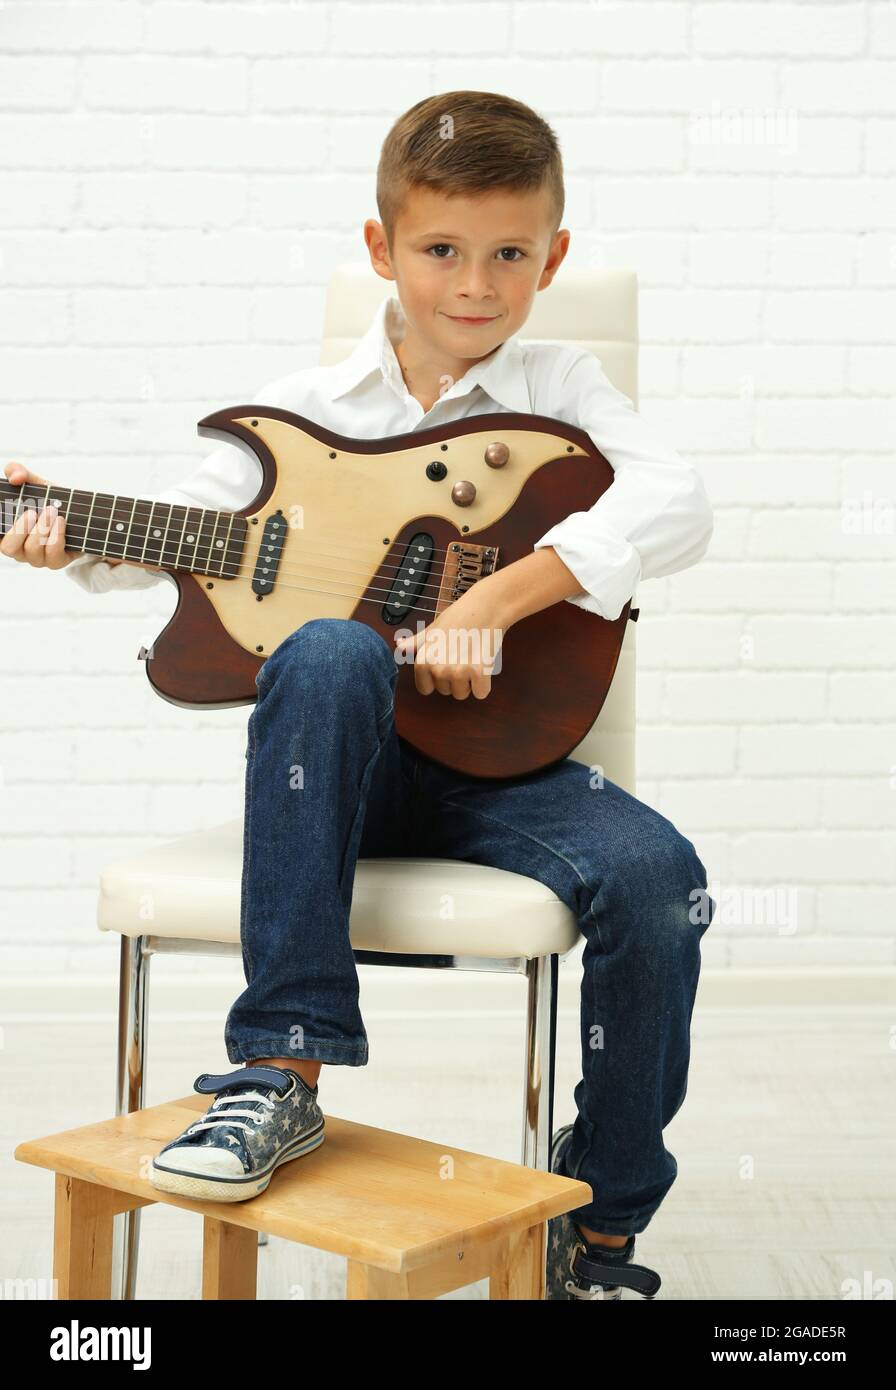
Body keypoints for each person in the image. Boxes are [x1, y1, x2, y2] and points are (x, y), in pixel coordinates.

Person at [2, 90, 716, 1301]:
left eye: (508, 255)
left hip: (511, 774)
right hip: (337, 772)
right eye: (441, 250)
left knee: (662, 880)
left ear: (553, 255)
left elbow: (677, 501)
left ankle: (596, 1220)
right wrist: (65, 535)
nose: (475, 285)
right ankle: (278, 1076)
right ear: (383, 250)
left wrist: (490, 603)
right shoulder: (297, 418)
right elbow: (179, 530)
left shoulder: (561, 387)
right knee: (329, 654)